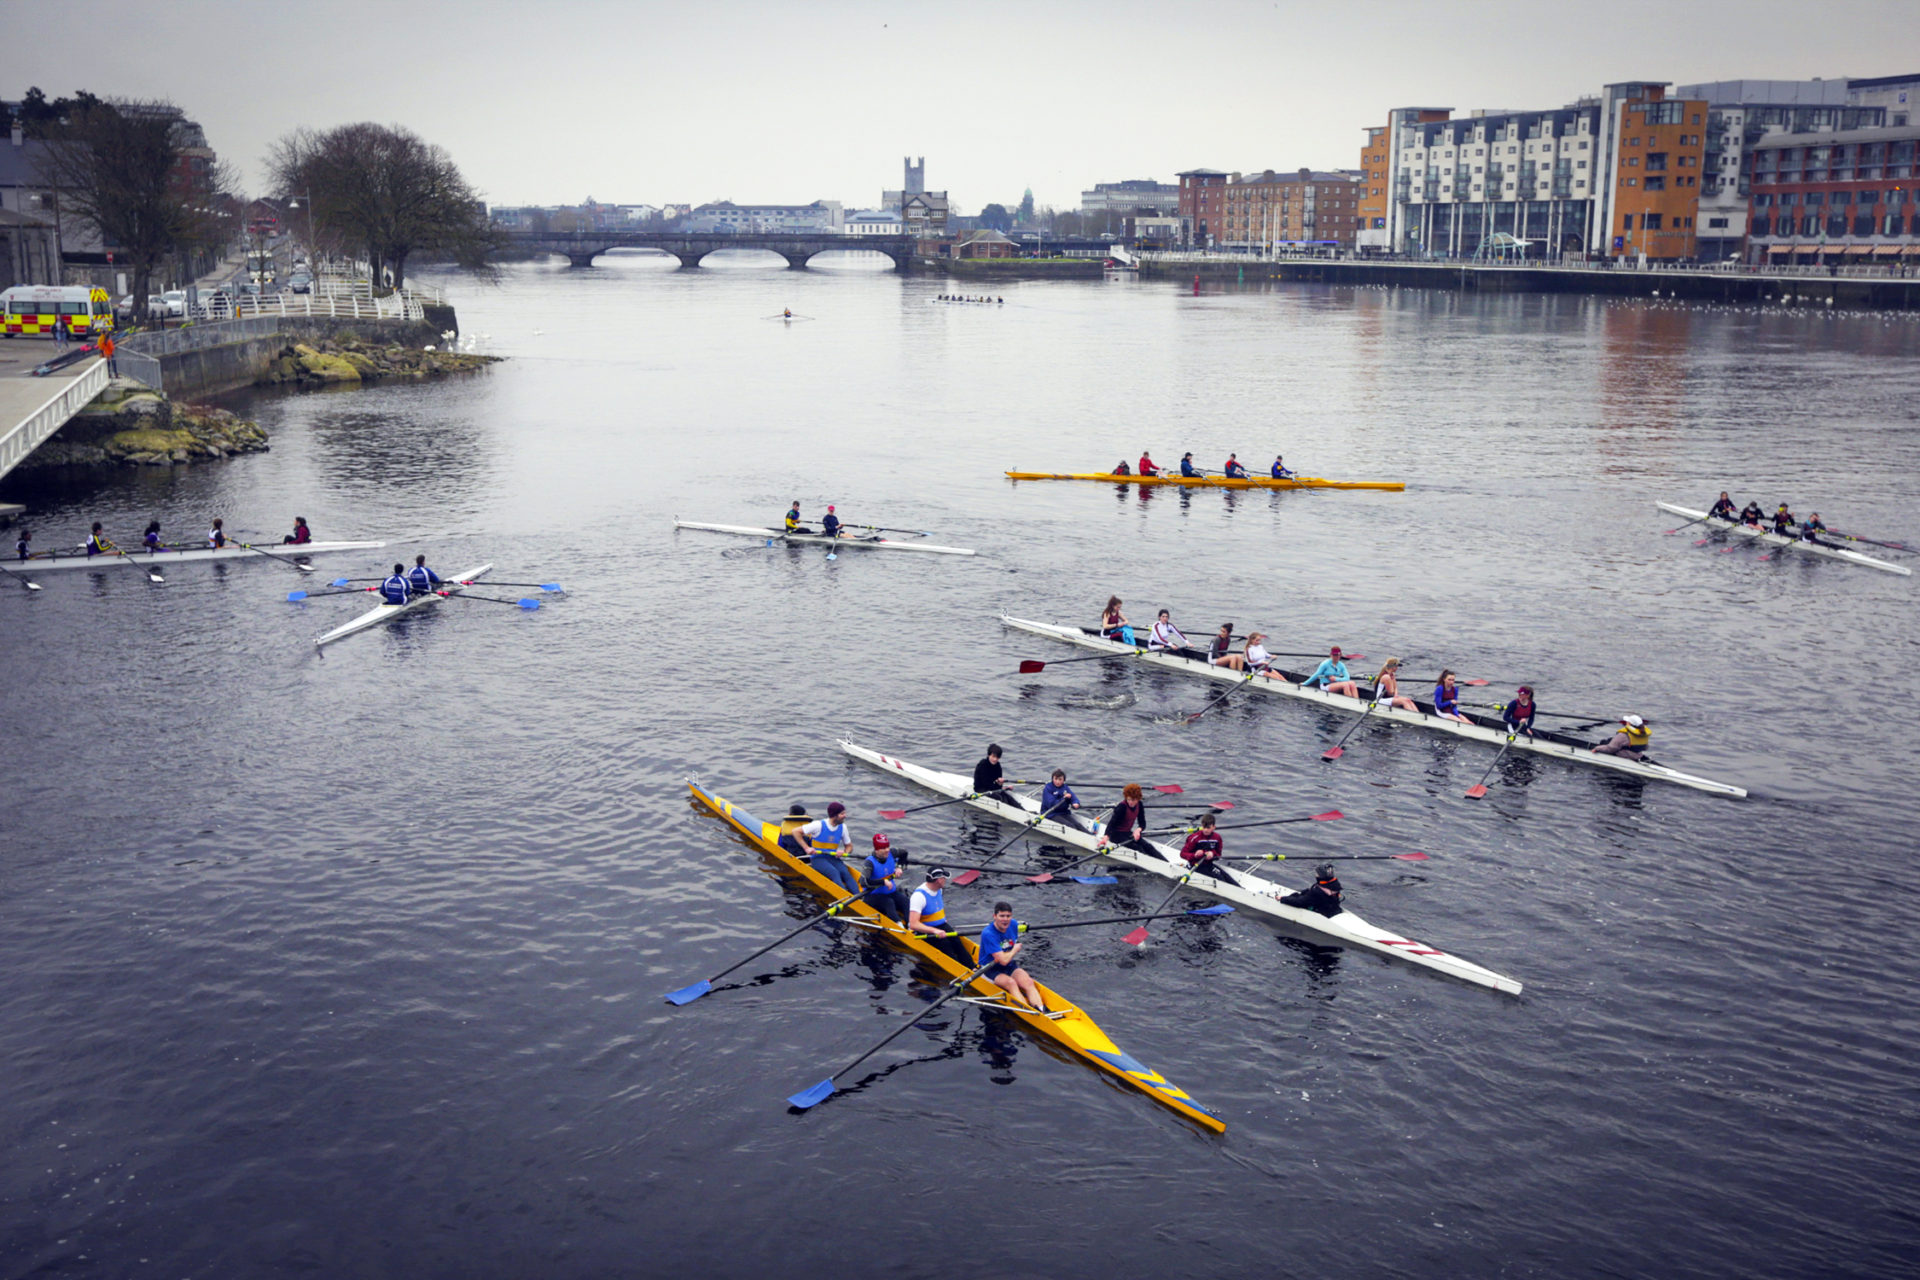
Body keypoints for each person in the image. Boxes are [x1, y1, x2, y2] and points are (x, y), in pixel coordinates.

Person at [976, 901, 1048, 1013]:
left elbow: (1006, 960)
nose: (1005, 919)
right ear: (994, 916)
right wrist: (1015, 949)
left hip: (1009, 965)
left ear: (1011, 916)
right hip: (990, 968)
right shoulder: (988, 934)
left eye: (1008, 916)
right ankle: (1027, 1013)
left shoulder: (1013, 924)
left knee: (1028, 982)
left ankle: (1041, 1010)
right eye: (1002, 916)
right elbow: (1003, 961)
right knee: (1011, 983)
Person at [780, 801, 859, 892]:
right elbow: (795, 831)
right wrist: (807, 848)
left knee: (846, 873)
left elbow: (849, 846)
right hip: (818, 859)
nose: (845, 815)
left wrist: (845, 853)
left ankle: (859, 899)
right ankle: (847, 898)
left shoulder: (843, 827)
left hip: (833, 858)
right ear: (834, 815)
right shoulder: (818, 825)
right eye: (842, 813)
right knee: (835, 873)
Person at [909, 867, 971, 963]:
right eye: (943, 878)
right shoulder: (919, 897)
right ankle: (958, 969)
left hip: (940, 926)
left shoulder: (939, 890)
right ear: (938, 880)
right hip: (925, 931)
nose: (945, 880)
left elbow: (936, 907)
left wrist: (941, 919)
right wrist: (934, 931)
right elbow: (913, 924)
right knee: (945, 945)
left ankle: (973, 967)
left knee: (956, 941)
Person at [861, 833, 911, 923]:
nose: (887, 850)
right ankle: (900, 927)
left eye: (887, 846)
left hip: (890, 892)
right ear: (876, 850)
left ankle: (911, 925)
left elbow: (904, 853)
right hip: (872, 896)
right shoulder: (869, 863)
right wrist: (883, 882)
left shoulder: (892, 853)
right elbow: (863, 882)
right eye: (883, 848)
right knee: (889, 903)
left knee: (905, 900)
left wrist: (899, 867)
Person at [1098, 783, 1150, 852]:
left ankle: (1166, 862)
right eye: (1129, 799)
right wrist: (1105, 837)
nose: (1131, 802)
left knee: (1148, 846)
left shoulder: (1139, 804)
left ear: (1138, 799)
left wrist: (1138, 830)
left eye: (1133, 800)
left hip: (1127, 833)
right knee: (1139, 849)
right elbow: (1111, 824)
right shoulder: (1122, 807)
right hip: (1116, 836)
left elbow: (1142, 823)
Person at [1179, 812, 1228, 881]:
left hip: (1208, 865)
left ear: (1214, 827)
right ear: (1201, 825)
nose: (1205, 830)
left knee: (1227, 879)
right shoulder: (1194, 838)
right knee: (1221, 879)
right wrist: (1195, 855)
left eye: (1208, 828)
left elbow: (1218, 854)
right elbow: (1182, 854)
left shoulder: (1217, 838)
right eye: (1204, 827)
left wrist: (1213, 854)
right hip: (1194, 865)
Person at [1039, 769, 1089, 833]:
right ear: (1052, 779)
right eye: (1056, 779)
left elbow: (1073, 796)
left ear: (1063, 780)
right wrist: (1063, 798)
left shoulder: (1065, 787)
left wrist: (1075, 803)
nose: (1057, 781)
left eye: (1060, 779)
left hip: (1063, 812)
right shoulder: (1048, 788)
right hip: (1050, 813)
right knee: (1070, 826)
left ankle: (1092, 837)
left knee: (1078, 825)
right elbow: (1051, 803)